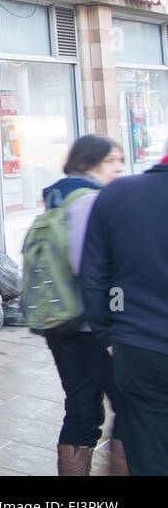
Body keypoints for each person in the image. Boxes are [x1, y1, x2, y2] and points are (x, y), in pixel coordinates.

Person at [36, 135, 125, 476]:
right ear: (88, 164)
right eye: (111, 161)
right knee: (130, 405)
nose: (119, 167)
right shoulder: (90, 201)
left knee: (81, 408)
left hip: (57, 319)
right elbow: (92, 268)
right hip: (90, 325)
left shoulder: (57, 197)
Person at [81, 135, 168, 475]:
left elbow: (93, 278)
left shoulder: (119, 194)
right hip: (138, 344)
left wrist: (110, 336)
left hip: (139, 347)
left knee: (148, 456)